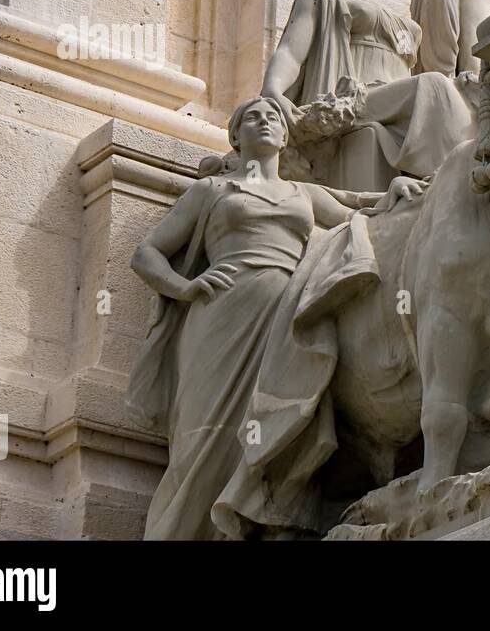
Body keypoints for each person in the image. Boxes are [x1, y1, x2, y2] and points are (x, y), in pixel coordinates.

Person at [125, 96, 421, 539]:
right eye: (252, 118)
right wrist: (185, 288)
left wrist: (397, 189)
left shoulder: (303, 193)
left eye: (273, 118)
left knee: (269, 429)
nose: (264, 122)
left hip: (286, 318)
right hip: (221, 315)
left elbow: (363, 212)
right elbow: (146, 254)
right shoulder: (212, 191)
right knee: (201, 438)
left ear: (284, 136)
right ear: (236, 136)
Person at [260, 0, 475, 190]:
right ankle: (455, 182)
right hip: (351, 100)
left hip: (394, 104)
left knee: (465, 94)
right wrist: (273, 90)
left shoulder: (404, 22)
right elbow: (291, 52)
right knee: (433, 84)